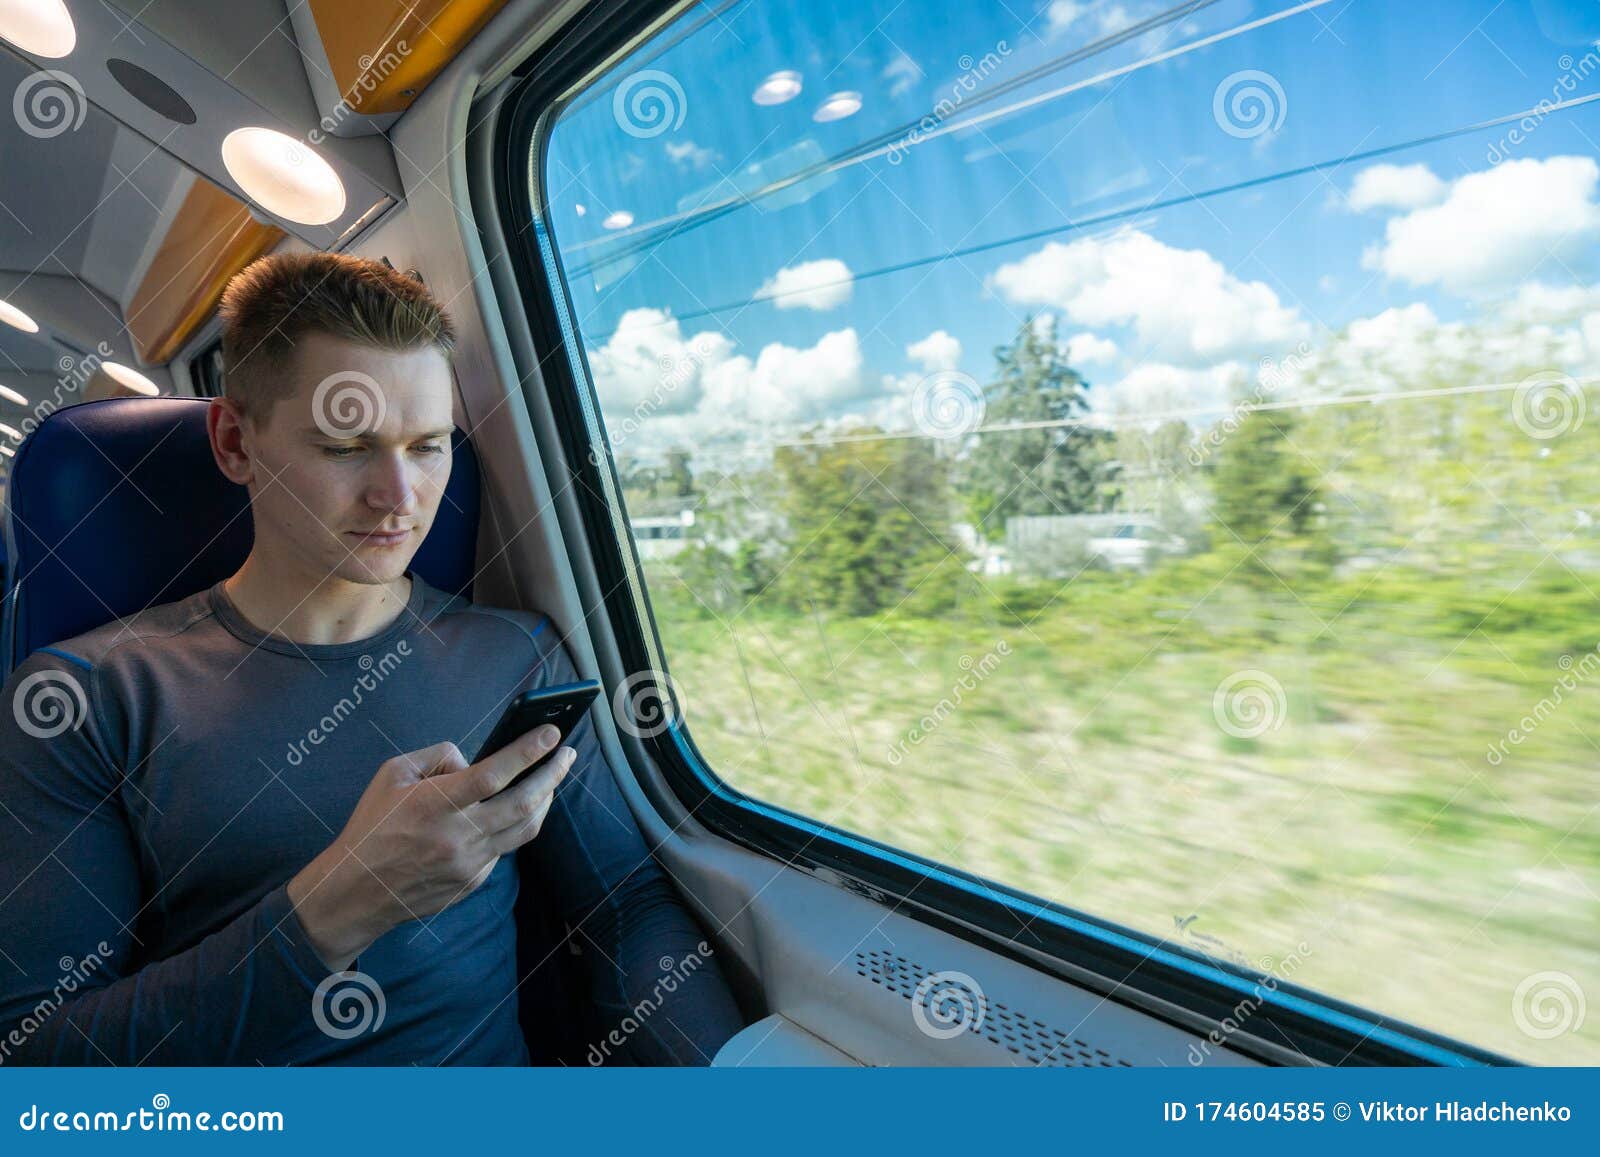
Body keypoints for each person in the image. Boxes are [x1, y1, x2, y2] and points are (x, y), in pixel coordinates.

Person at [0, 252, 743, 1065]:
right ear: (235, 442)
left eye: (427, 446)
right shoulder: (88, 697)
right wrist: (338, 907)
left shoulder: (515, 655)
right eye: (346, 446)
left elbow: (626, 908)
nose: (400, 496)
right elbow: (34, 1066)